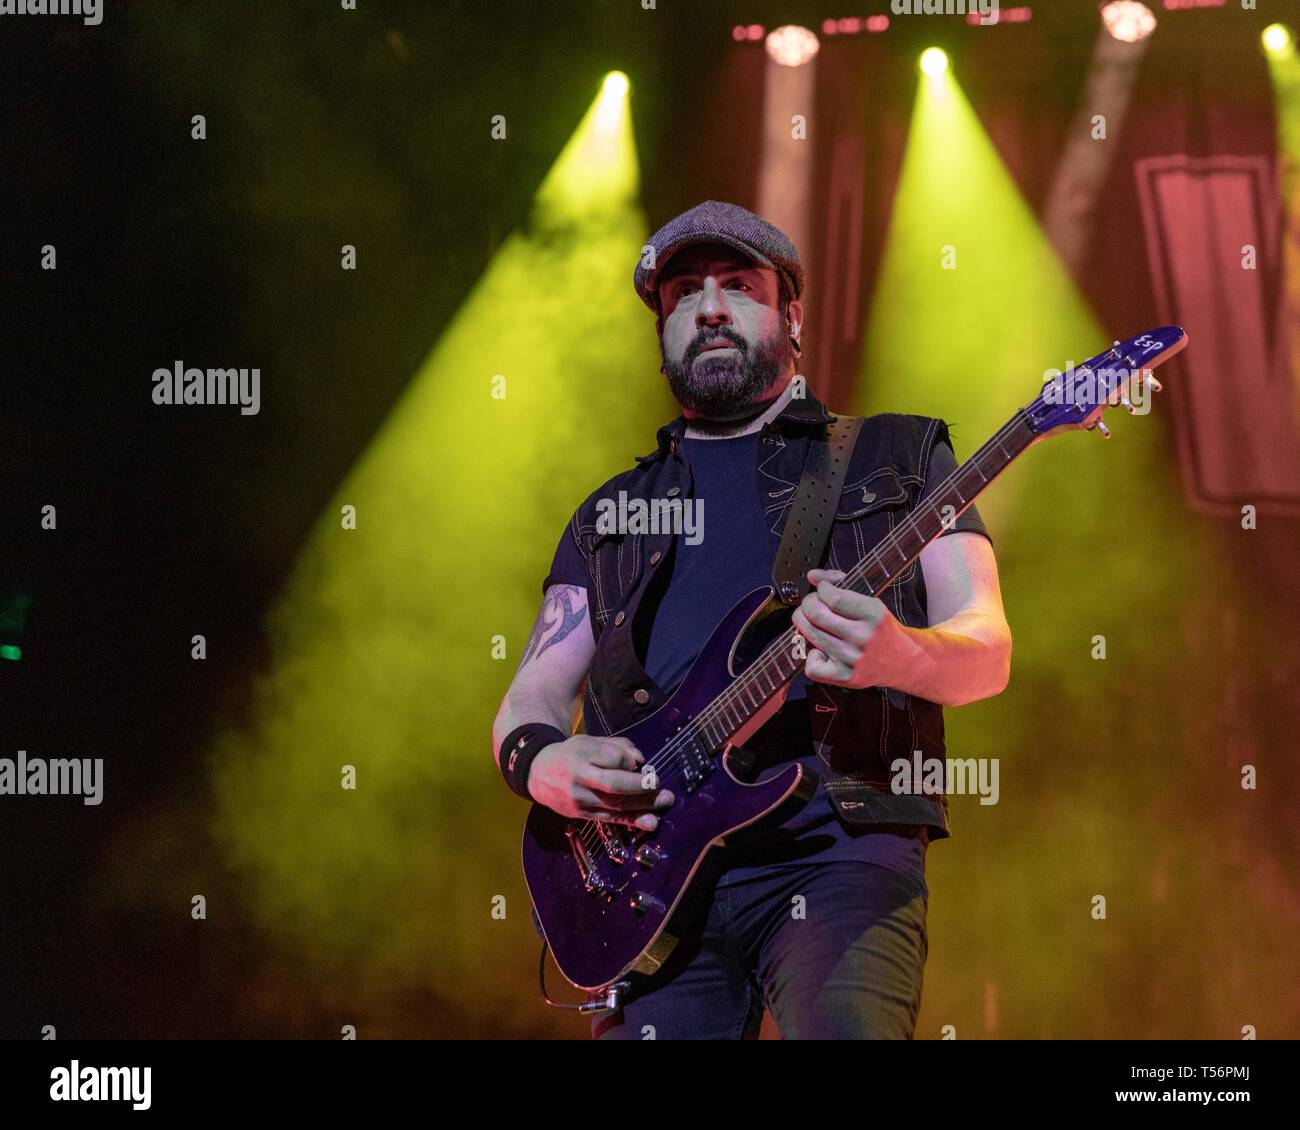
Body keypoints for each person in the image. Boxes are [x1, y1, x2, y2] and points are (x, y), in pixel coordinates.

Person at [493, 200, 1012, 1039]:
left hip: (839, 852)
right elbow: (531, 698)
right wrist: (543, 763)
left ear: (792, 317)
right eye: (684, 294)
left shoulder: (899, 456)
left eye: (738, 286)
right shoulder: (612, 514)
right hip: (651, 883)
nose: (708, 308)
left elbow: (987, 649)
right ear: (662, 333)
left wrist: (901, 657)